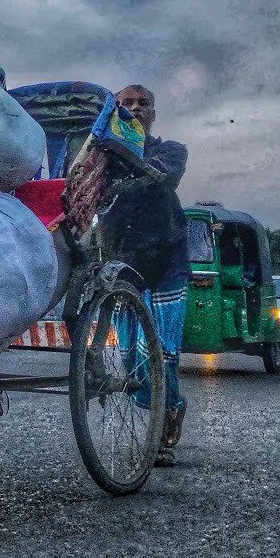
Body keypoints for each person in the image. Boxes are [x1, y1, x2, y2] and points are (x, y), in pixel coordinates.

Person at [100, 84, 190, 467]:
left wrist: (114, 174)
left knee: (163, 352)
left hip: (167, 258)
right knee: (128, 353)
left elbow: (161, 175)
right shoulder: (103, 155)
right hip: (124, 258)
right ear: (116, 111)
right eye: (126, 104)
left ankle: (167, 415)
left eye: (143, 103)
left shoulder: (171, 151)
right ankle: (160, 408)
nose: (136, 108)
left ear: (153, 113)